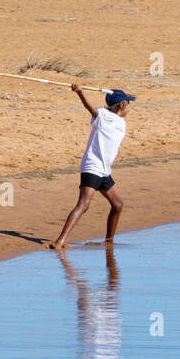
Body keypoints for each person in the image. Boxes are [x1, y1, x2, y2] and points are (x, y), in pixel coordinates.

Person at [49, 85, 135, 249]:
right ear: (122, 104)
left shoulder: (121, 122)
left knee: (118, 205)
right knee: (84, 204)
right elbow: (90, 108)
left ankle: (109, 242)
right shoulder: (101, 116)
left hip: (104, 171)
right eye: (128, 103)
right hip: (92, 167)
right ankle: (59, 241)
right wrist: (80, 92)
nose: (129, 108)